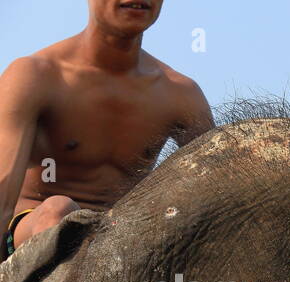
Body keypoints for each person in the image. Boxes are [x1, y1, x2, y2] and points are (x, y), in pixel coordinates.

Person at [0, 0, 213, 263]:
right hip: (32, 228)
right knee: (58, 210)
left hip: (121, 239)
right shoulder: (35, 76)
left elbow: (220, 193)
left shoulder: (180, 94)